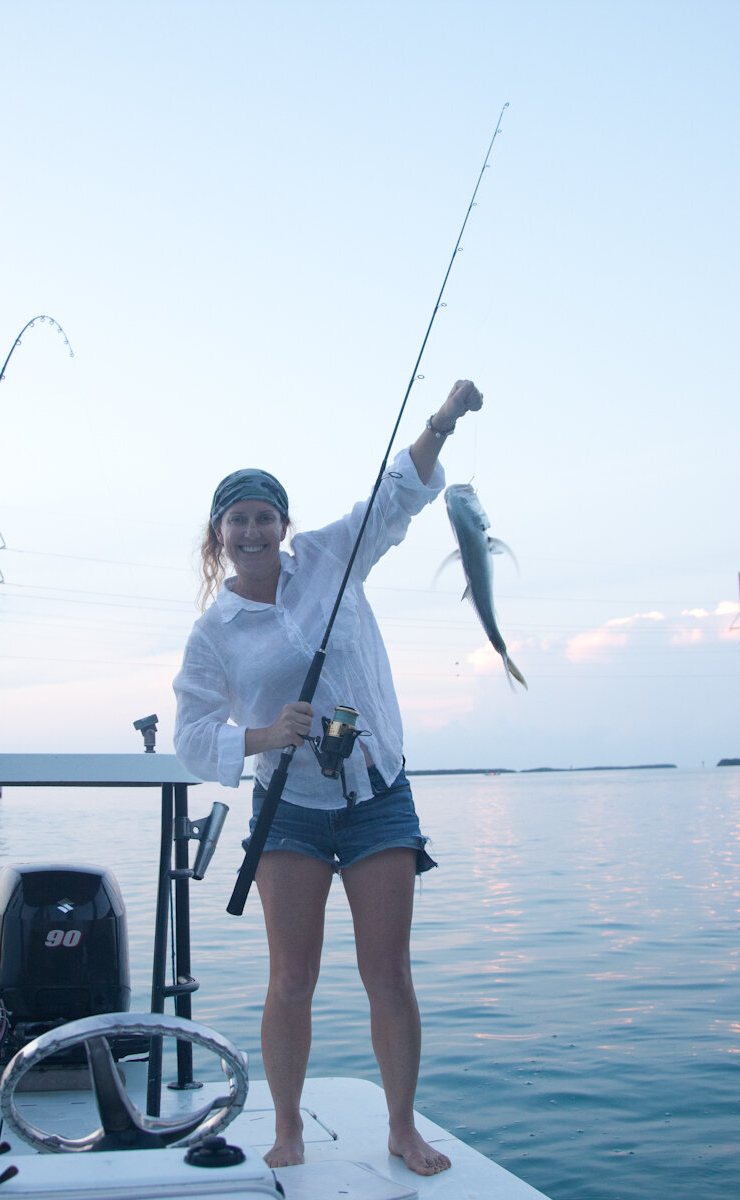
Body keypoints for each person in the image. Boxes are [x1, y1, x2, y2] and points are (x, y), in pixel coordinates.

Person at [172, 379, 485, 1177]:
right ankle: (286, 1127)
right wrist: (263, 735)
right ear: (219, 535)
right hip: (290, 812)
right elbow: (190, 731)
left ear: (284, 525)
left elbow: (395, 496)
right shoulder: (214, 633)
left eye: (264, 516)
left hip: (378, 795)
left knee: (389, 973)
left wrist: (440, 423)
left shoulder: (331, 558)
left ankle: (403, 1128)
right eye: (236, 519)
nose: (252, 529)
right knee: (291, 979)